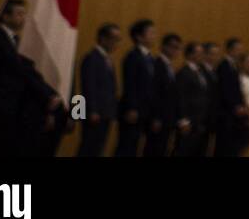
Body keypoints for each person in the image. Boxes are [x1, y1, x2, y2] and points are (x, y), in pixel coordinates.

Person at [0, 0, 60, 156]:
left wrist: (48, 95)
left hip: (13, 106)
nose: (23, 18)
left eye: (24, 14)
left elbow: (27, 71)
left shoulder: (16, 41)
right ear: (6, 17)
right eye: (19, 14)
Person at [77, 23, 120, 156]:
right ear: (103, 38)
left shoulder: (108, 60)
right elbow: (88, 87)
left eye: (118, 40)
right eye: (114, 39)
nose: (116, 43)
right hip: (94, 112)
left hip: (106, 112)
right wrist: (92, 110)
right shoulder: (92, 58)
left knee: (98, 149)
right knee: (88, 148)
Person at [115, 18, 156, 157]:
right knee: (126, 146)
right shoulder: (133, 56)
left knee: (136, 147)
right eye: (150, 33)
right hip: (133, 110)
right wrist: (132, 107)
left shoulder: (150, 58)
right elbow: (130, 84)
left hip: (145, 110)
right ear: (139, 36)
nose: (153, 36)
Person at [213, 38, 249, 156]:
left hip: (234, 114)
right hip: (226, 113)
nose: (239, 52)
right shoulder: (224, 66)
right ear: (230, 50)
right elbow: (225, 89)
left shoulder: (234, 66)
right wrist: (235, 106)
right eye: (237, 49)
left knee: (233, 147)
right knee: (224, 146)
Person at [147, 33, 182, 156]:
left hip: (168, 117)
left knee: (163, 149)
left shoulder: (170, 67)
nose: (175, 51)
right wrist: (156, 117)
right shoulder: (157, 64)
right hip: (159, 117)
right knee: (153, 149)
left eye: (178, 48)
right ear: (163, 47)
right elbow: (155, 92)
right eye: (173, 47)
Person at [174, 42, 210, 157]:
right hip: (189, 120)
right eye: (199, 53)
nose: (202, 56)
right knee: (185, 150)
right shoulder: (183, 72)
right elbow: (180, 97)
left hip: (200, 119)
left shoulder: (201, 72)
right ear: (190, 55)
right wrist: (183, 120)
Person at [200, 42, 221, 155]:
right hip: (201, 117)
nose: (215, 57)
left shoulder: (214, 71)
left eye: (217, 54)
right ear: (205, 55)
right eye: (212, 54)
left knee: (206, 148)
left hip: (211, 116)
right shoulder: (200, 70)